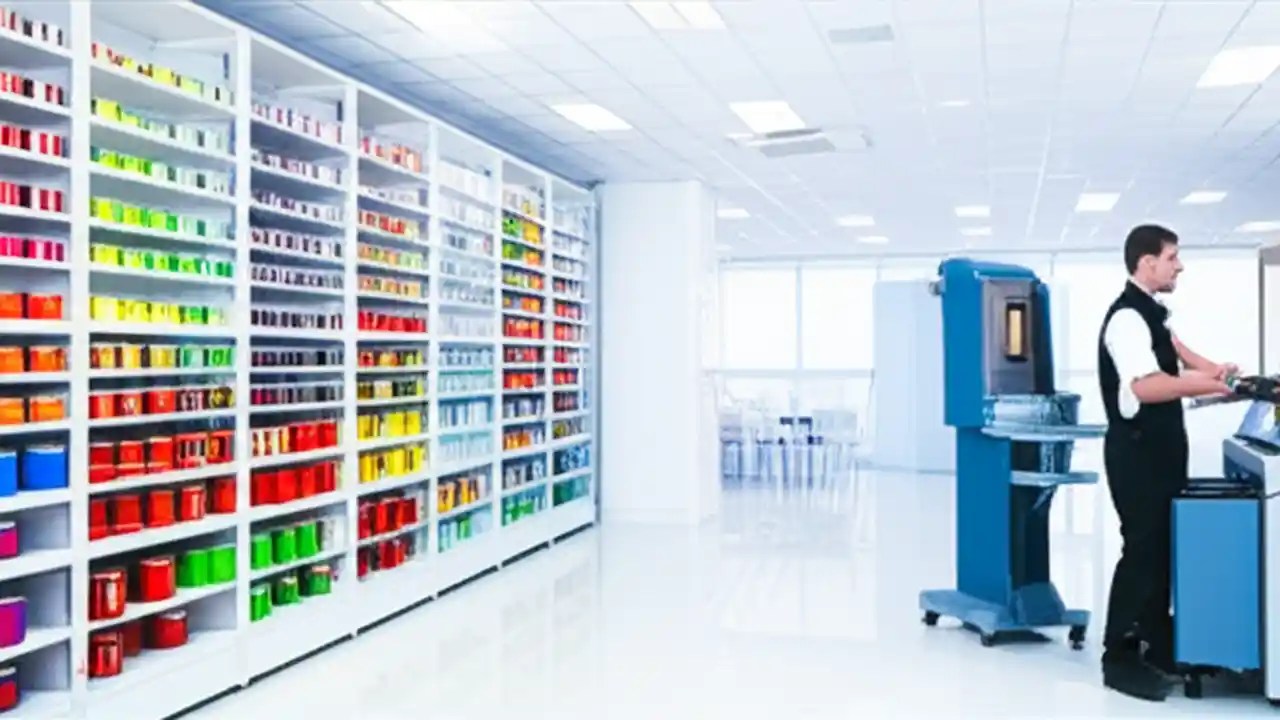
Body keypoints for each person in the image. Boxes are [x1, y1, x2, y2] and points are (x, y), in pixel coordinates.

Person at [1096, 224, 1237, 701]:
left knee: (1161, 550)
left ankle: (1157, 647)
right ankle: (1118, 657)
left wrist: (1220, 375)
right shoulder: (1126, 318)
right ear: (1147, 262)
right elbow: (1146, 385)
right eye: (1173, 257)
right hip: (1136, 455)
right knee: (1142, 551)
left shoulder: (1153, 315)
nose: (1180, 266)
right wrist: (1211, 384)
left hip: (1158, 452)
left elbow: (1179, 356)